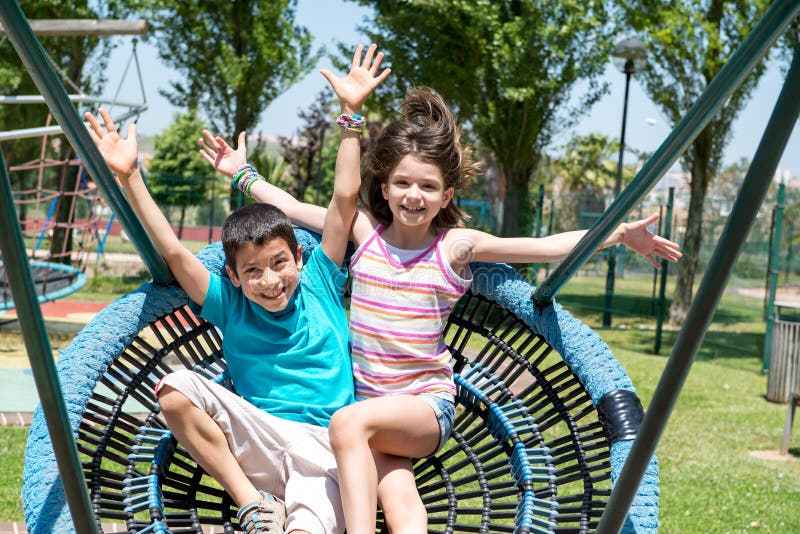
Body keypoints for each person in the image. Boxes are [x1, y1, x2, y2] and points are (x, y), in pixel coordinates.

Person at [200, 86, 682, 534]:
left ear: (446, 196)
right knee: (402, 501)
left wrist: (615, 234)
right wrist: (242, 174)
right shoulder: (363, 232)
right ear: (385, 188)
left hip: (423, 409)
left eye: (428, 187)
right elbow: (288, 205)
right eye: (403, 183)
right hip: (370, 411)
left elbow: (539, 245)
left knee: (346, 424)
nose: (414, 195)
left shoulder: (453, 247)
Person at [85, 43, 389, 534]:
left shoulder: (322, 283)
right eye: (253, 272)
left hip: (328, 450)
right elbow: (177, 254)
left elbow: (345, 198)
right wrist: (130, 177)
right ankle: (253, 505)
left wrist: (351, 113)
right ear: (233, 277)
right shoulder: (228, 304)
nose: (270, 281)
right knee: (176, 389)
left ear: (299, 257)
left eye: (279, 264)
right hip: (259, 441)